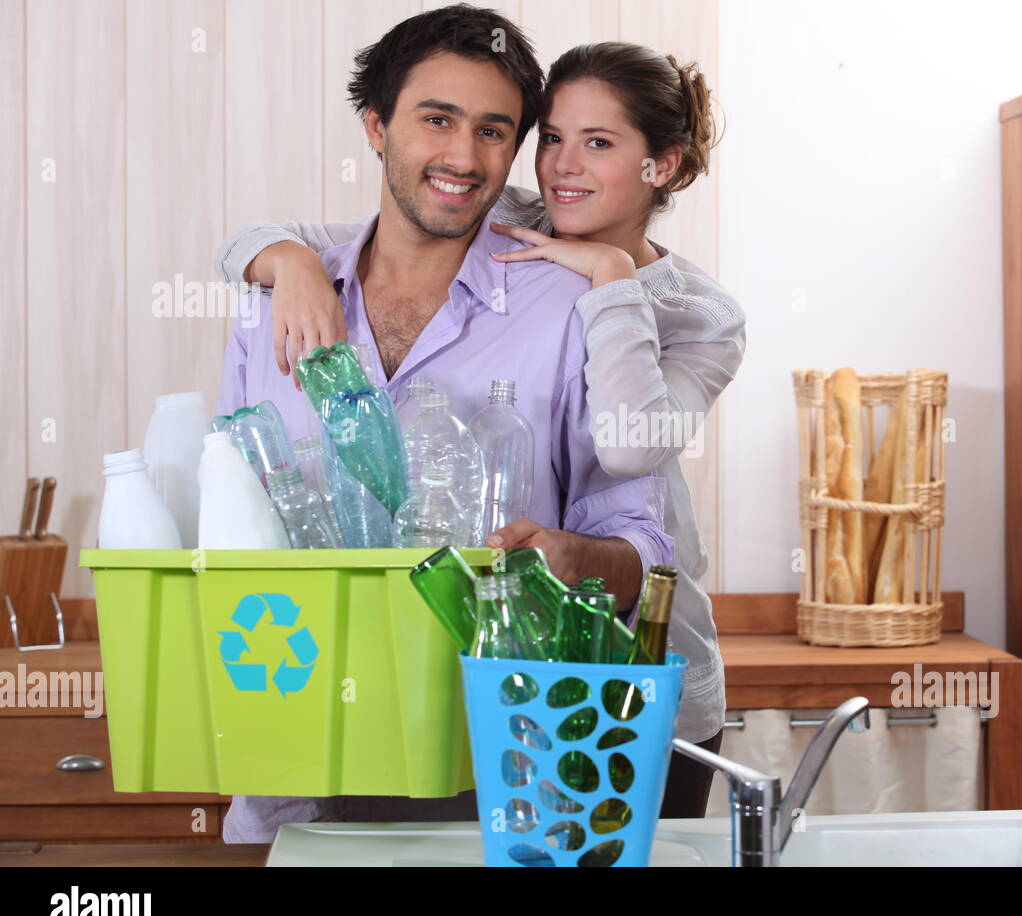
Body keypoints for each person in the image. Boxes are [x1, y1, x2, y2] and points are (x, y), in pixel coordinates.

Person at [214, 36, 746, 819]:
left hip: (587, 703)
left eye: (496, 131)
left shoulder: (661, 312)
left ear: (659, 165)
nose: (467, 156)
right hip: (309, 708)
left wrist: (611, 278)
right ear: (376, 126)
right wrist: (284, 259)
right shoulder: (289, 296)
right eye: (555, 140)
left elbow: (634, 487)